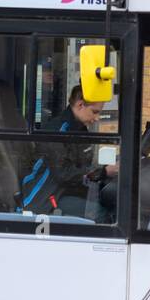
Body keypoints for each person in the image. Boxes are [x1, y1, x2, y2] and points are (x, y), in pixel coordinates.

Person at [22, 85, 119, 218]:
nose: (97, 118)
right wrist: (104, 172)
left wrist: (103, 170)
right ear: (80, 105)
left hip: (66, 192)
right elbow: (65, 174)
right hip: (44, 200)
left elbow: (83, 167)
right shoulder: (57, 131)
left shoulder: (80, 129)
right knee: (102, 213)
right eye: (95, 112)